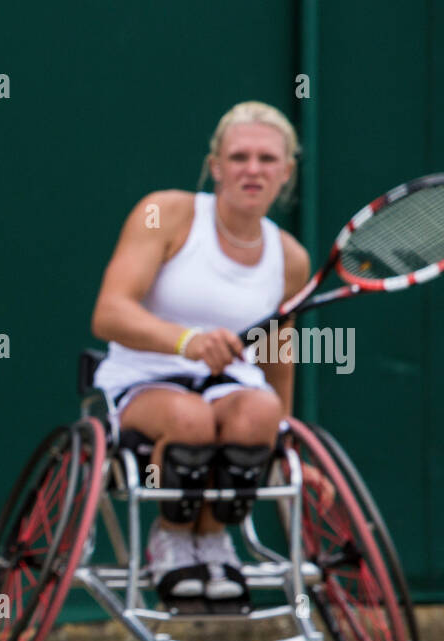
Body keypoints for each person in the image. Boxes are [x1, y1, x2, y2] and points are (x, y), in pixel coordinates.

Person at [90, 101, 311, 601]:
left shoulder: (291, 258)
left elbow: (279, 356)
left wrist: (286, 439)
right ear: (216, 166)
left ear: (287, 172)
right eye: (239, 157)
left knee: (260, 412)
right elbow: (109, 313)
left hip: (233, 390)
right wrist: (187, 342)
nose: (252, 169)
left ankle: (212, 540)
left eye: (267, 159)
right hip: (144, 381)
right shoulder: (166, 213)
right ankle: (170, 538)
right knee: (190, 420)